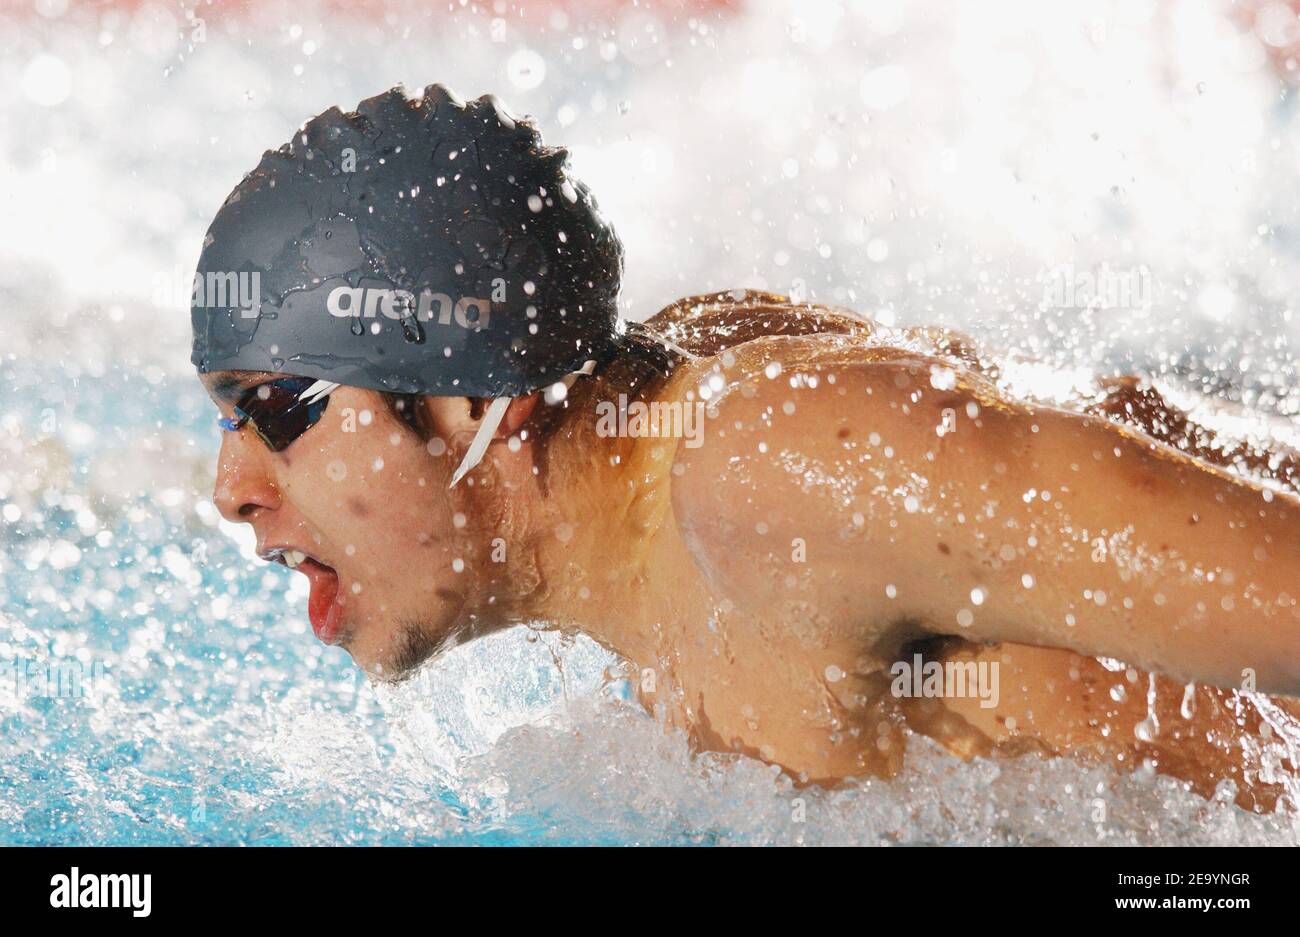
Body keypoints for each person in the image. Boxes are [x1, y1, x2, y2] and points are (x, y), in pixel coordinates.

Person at [193, 84, 1300, 812]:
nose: (231, 487)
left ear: (470, 399)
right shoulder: (670, 437)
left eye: (283, 403)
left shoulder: (769, 470)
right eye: (228, 417)